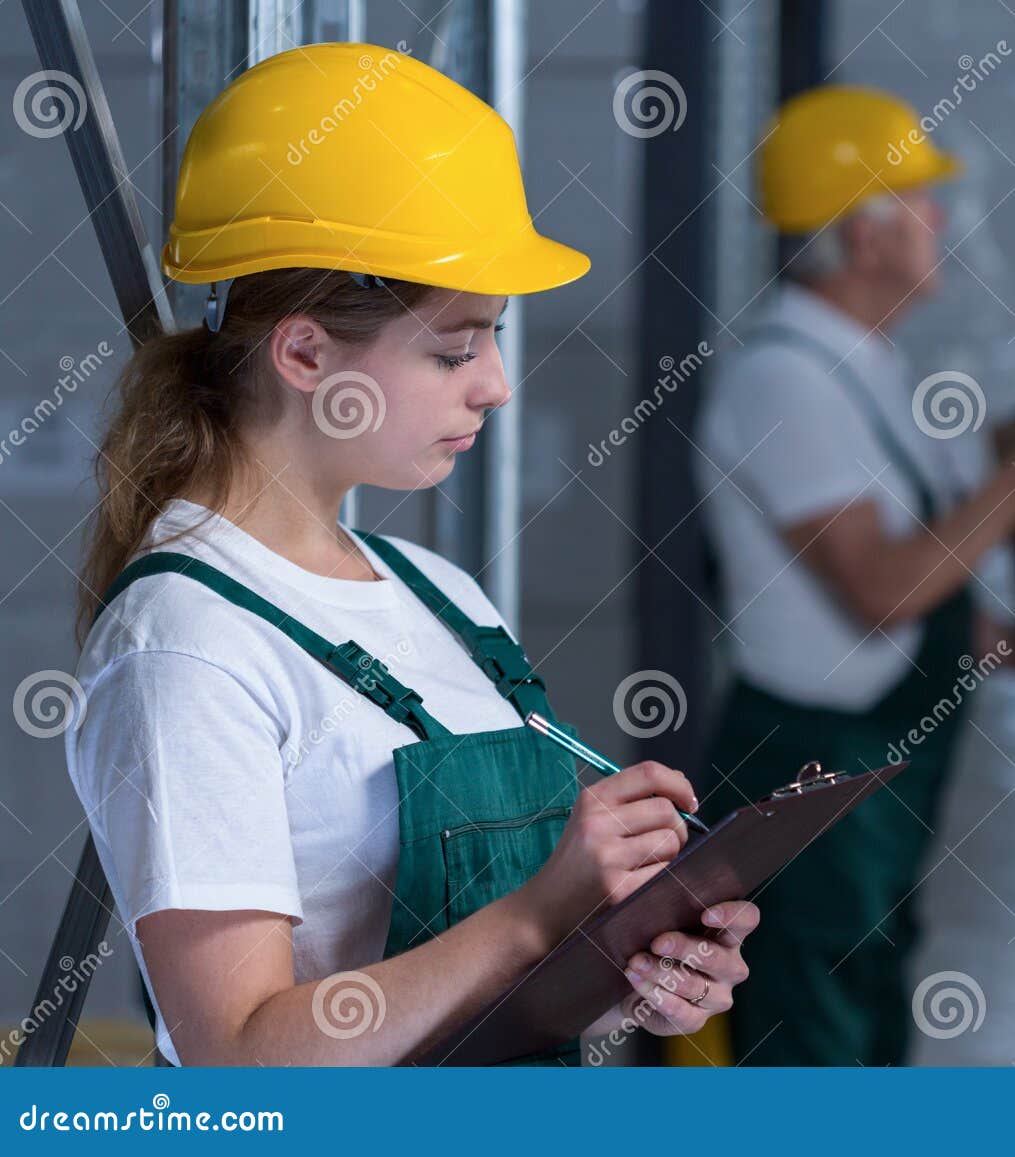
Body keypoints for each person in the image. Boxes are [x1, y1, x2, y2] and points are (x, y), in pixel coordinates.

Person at [63, 44, 757, 1067]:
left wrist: (623, 973)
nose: (495, 386)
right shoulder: (188, 644)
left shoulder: (439, 594)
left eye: (494, 337)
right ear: (304, 355)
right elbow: (240, 1059)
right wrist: (536, 916)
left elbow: (481, 998)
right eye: (453, 346)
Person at [695, 84, 1015, 1066]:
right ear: (863, 237)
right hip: (805, 771)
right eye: (917, 200)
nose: (939, 218)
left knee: (864, 1007)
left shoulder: (865, 366)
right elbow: (881, 589)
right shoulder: (783, 378)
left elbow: (929, 592)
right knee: (807, 1036)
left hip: (867, 782)